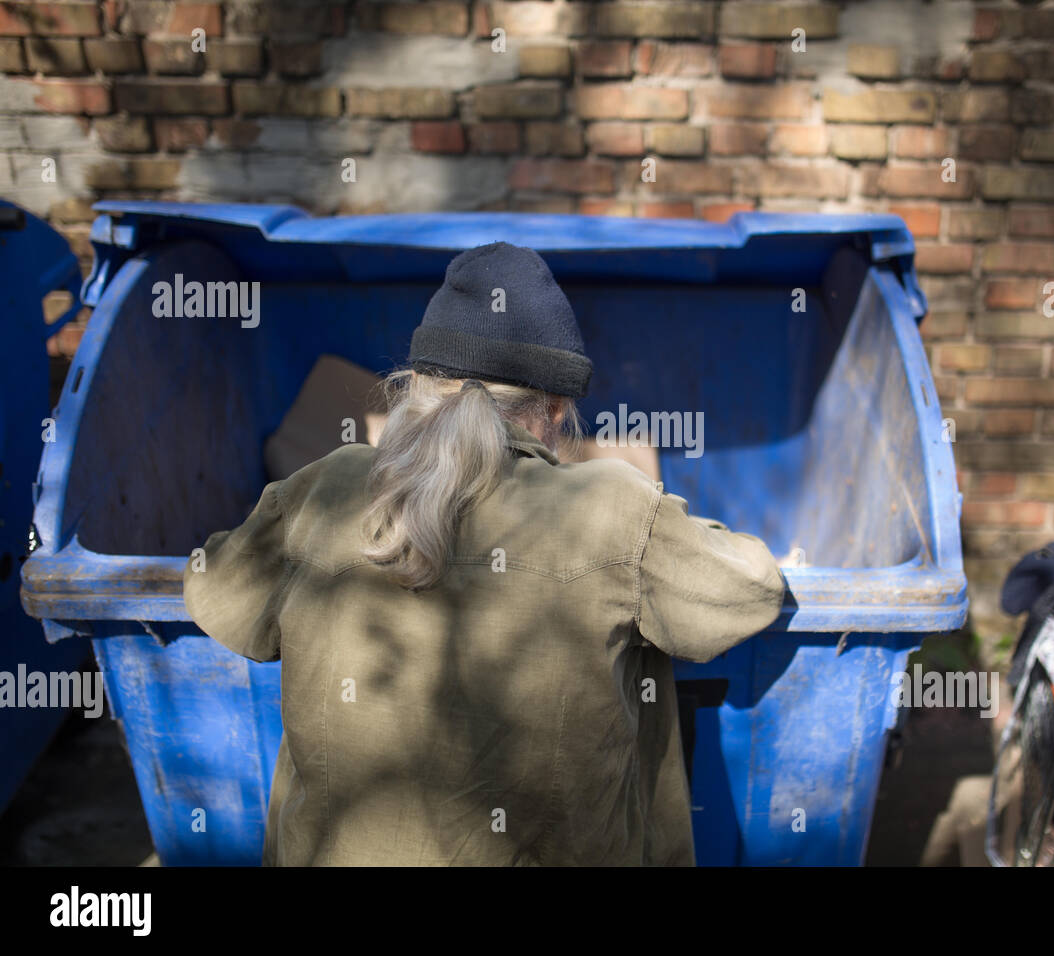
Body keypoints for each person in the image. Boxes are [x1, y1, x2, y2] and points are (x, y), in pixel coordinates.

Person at [183, 241, 787, 865]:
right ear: (552, 410)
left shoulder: (324, 489)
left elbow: (213, 590)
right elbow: (752, 588)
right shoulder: (615, 511)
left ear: (415, 392)